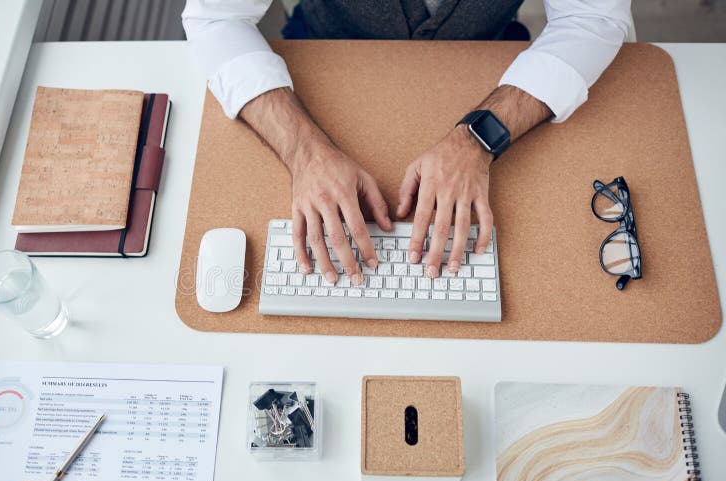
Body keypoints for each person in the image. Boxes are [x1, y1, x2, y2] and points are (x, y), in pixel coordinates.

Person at [182, 1, 632, 285]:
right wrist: (303, 151)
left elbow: (591, 17)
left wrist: (479, 136)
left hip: (487, 65)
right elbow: (217, 18)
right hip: (320, 61)